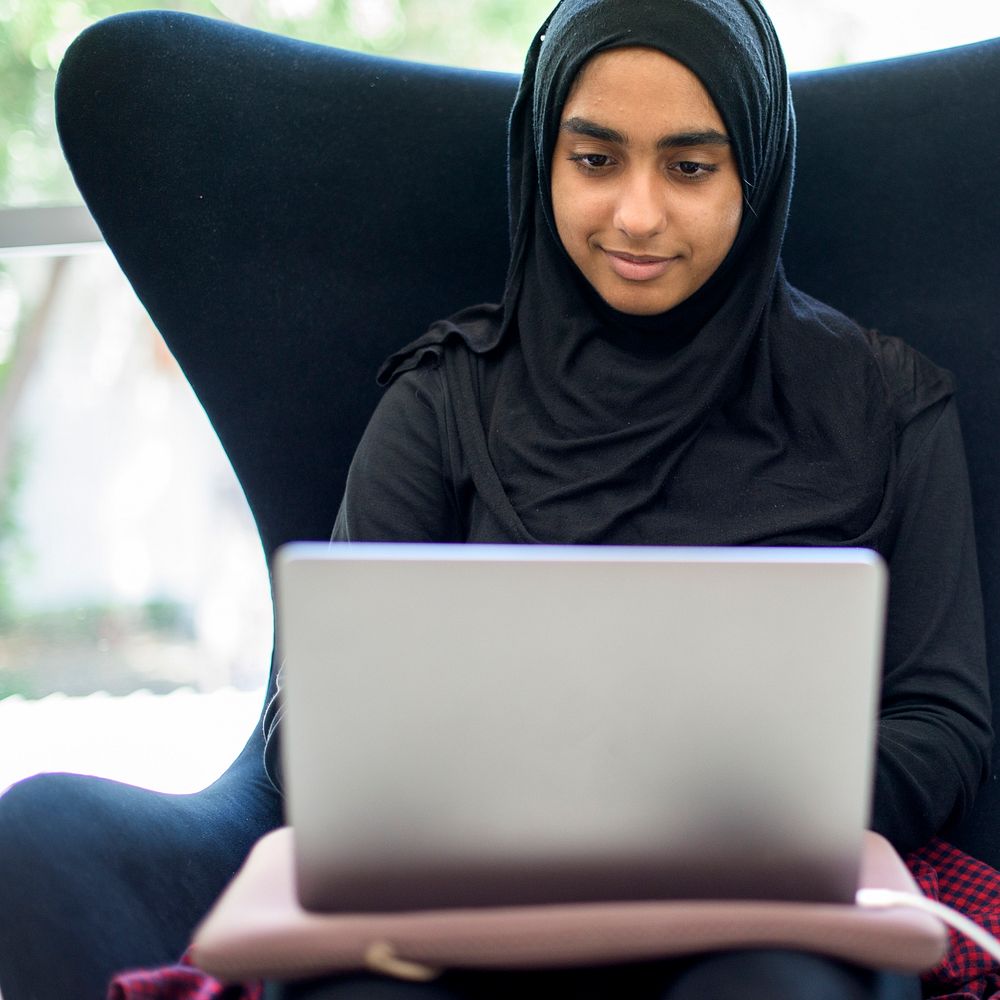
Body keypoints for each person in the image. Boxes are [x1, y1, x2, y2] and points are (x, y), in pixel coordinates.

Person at [254, 0, 992, 997]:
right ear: (542, 158)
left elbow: (942, 722)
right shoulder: (444, 398)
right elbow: (315, 723)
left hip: (768, 917)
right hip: (474, 916)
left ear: (756, 168)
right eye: (595, 161)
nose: (636, 216)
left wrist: (727, 823)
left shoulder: (887, 406)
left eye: (689, 167)